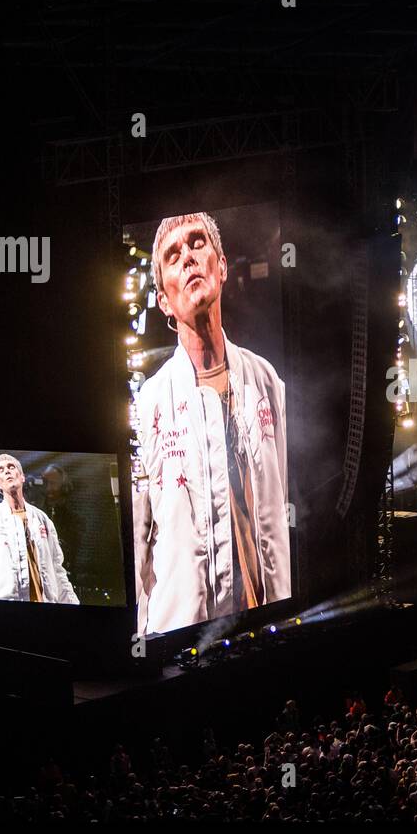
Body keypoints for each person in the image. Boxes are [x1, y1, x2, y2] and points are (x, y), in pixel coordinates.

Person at [133, 212, 290, 636]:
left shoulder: (265, 380)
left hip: (261, 621)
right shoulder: (149, 401)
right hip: (181, 630)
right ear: (164, 300)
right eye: (172, 254)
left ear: (221, 267)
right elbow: (138, 536)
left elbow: (279, 503)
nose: (187, 258)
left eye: (197, 243)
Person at [0, 454, 79, 604]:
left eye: (12, 467)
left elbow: (57, 570)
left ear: (22, 477)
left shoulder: (42, 519)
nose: (7, 471)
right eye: (1, 469)